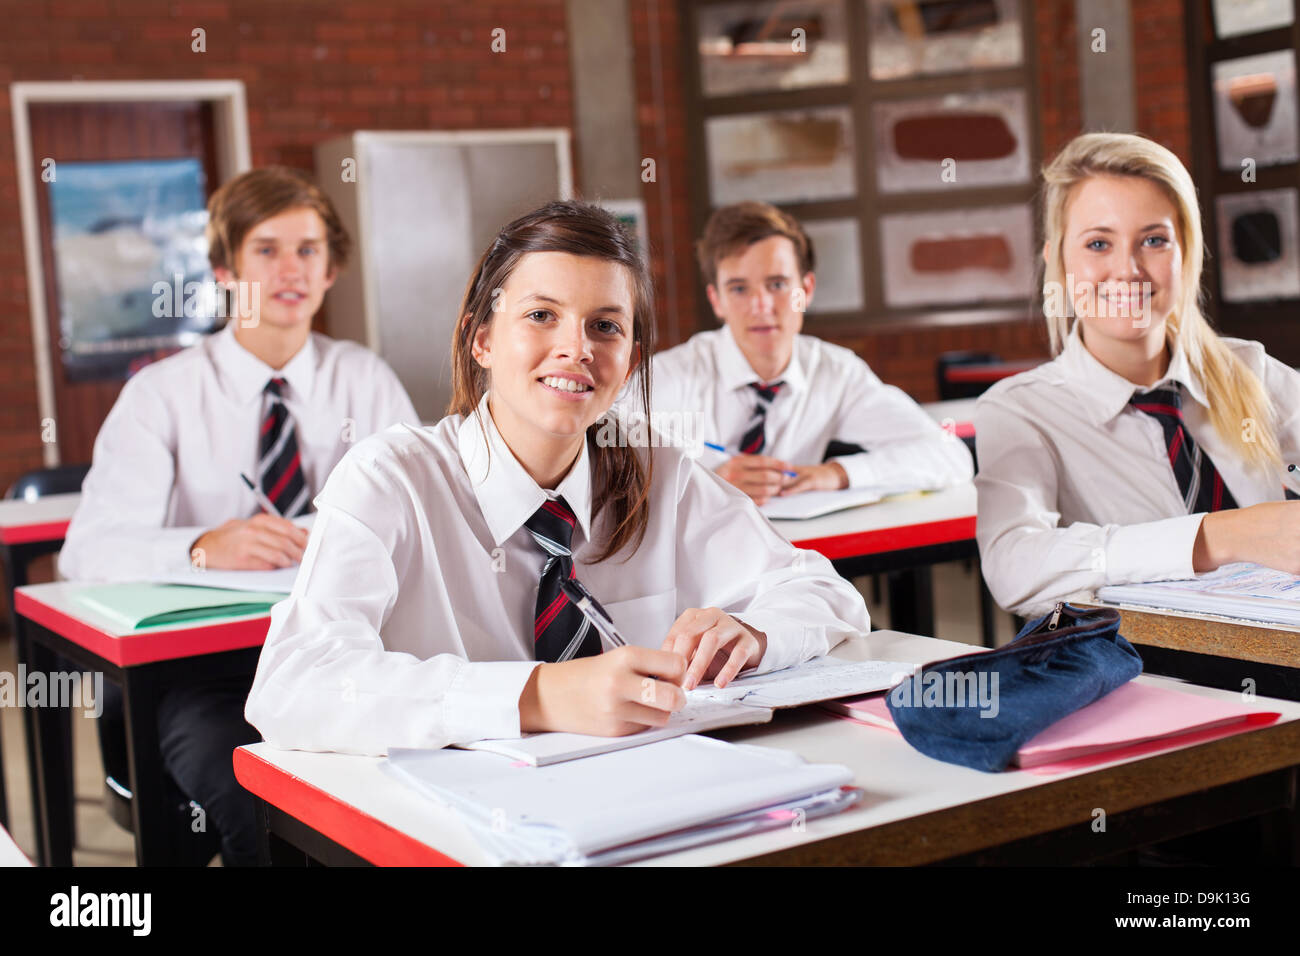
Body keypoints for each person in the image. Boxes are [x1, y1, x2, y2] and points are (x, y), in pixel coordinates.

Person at [244, 199, 870, 755]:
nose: (577, 349)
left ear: (628, 363)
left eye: (606, 325)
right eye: (542, 316)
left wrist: (755, 633)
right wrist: (537, 695)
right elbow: (294, 685)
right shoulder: (390, 480)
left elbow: (825, 592)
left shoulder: (662, 474)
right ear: (481, 339)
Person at [58, 166, 420, 865]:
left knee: (409, 796)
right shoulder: (160, 395)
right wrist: (199, 547)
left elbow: (418, 522)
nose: (291, 269)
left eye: (309, 249)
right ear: (225, 270)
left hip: (347, 656)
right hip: (211, 677)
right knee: (264, 808)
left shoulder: (365, 379)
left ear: (332, 270)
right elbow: (85, 553)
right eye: (267, 250)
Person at [976, 132, 1300, 619]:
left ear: (1185, 253)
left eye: (1153, 240)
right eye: (1098, 243)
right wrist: (1220, 537)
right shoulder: (1022, 410)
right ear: (1058, 260)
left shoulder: (1246, 369)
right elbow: (1013, 566)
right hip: (1154, 678)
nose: (1127, 271)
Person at [648, 201, 972, 506]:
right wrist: (706, 477)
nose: (761, 306)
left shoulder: (835, 372)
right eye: (739, 289)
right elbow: (606, 463)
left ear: (806, 291)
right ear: (716, 300)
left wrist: (838, 473)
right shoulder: (669, 375)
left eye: (777, 285)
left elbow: (949, 456)